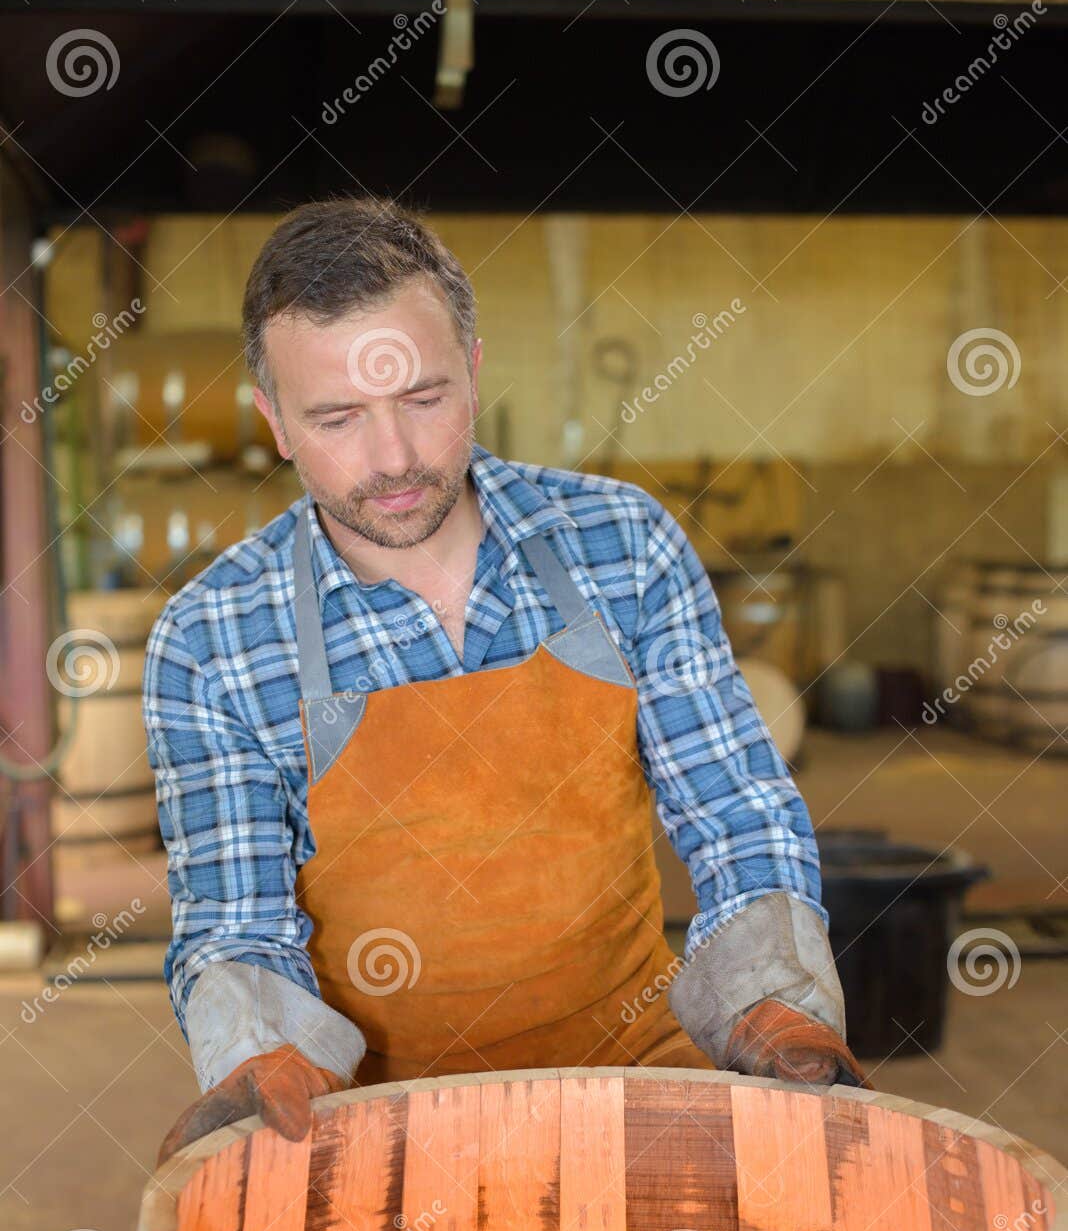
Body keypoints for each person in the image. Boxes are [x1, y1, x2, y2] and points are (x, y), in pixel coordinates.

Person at [145, 196, 866, 1167]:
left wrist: (773, 998)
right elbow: (236, 921)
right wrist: (260, 1052)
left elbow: (735, 809)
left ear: (475, 370)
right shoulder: (211, 637)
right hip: (371, 1123)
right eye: (338, 417)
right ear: (274, 421)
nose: (394, 458)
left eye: (424, 398)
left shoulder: (622, 545)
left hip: (634, 1078)